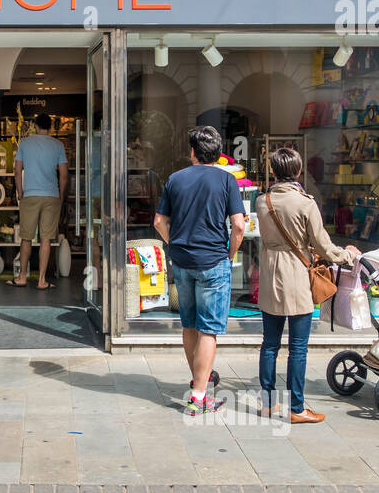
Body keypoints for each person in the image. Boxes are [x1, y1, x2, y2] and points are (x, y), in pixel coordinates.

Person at [256, 146, 360, 424]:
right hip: (296, 277)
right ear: (298, 172)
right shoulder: (305, 203)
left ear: (273, 171)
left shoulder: (261, 201)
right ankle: (297, 407)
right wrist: (348, 255)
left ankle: (267, 402)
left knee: (269, 344)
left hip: (269, 274)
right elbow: (322, 245)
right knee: (298, 347)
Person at [153, 126, 245, 416]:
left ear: (193, 152)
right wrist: (229, 255)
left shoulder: (175, 179)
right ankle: (198, 397)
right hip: (213, 262)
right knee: (209, 330)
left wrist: (175, 244)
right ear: (218, 154)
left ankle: (198, 382)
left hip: (182, 261)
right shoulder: (227, 180)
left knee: (189, 325)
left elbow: (159, 221)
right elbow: (239, 226)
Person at [8, 112, 68, 290]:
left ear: (34, 126)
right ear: (50, 127)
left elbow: (17, 171)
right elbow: (64, 176)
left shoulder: (25, 144)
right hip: (51, 195)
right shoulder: (58, 145)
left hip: (30, 195)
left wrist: (20, 193)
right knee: (46, 239)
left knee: (26, 238)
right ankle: (42, 280)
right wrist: (60, 196)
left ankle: (22, 278)